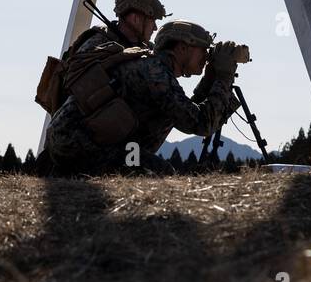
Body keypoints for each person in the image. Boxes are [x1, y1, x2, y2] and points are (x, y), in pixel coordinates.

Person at [41, 19, 243, 176]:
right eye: (203, 49)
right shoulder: (154, 72)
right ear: (182, 48)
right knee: (157, 171)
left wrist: (210, 80)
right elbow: (201, 124)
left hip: (85, 142)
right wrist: (224, 77)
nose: (206, 56)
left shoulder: (154, 68)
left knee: (146, 163)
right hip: (81, 145)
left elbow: (184, 110)